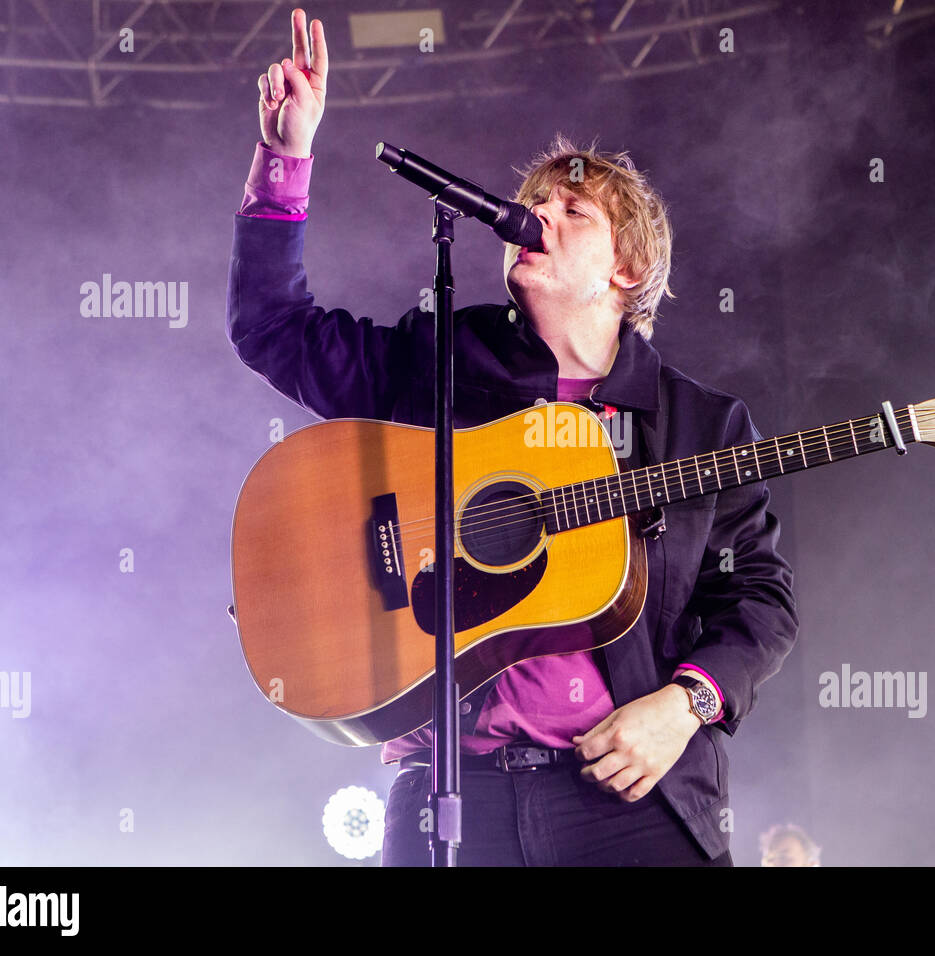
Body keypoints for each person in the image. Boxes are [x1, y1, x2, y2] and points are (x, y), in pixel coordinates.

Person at [227, 8, 798, 866]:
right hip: (450, 786)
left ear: (627, 269)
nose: (536, 215)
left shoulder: (703, 429)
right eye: (533, 202)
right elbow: (273, 328)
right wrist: (287, 156)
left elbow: (762, 601)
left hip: (625, 794)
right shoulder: (440, 360)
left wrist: (685, 705)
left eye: (572, 210)